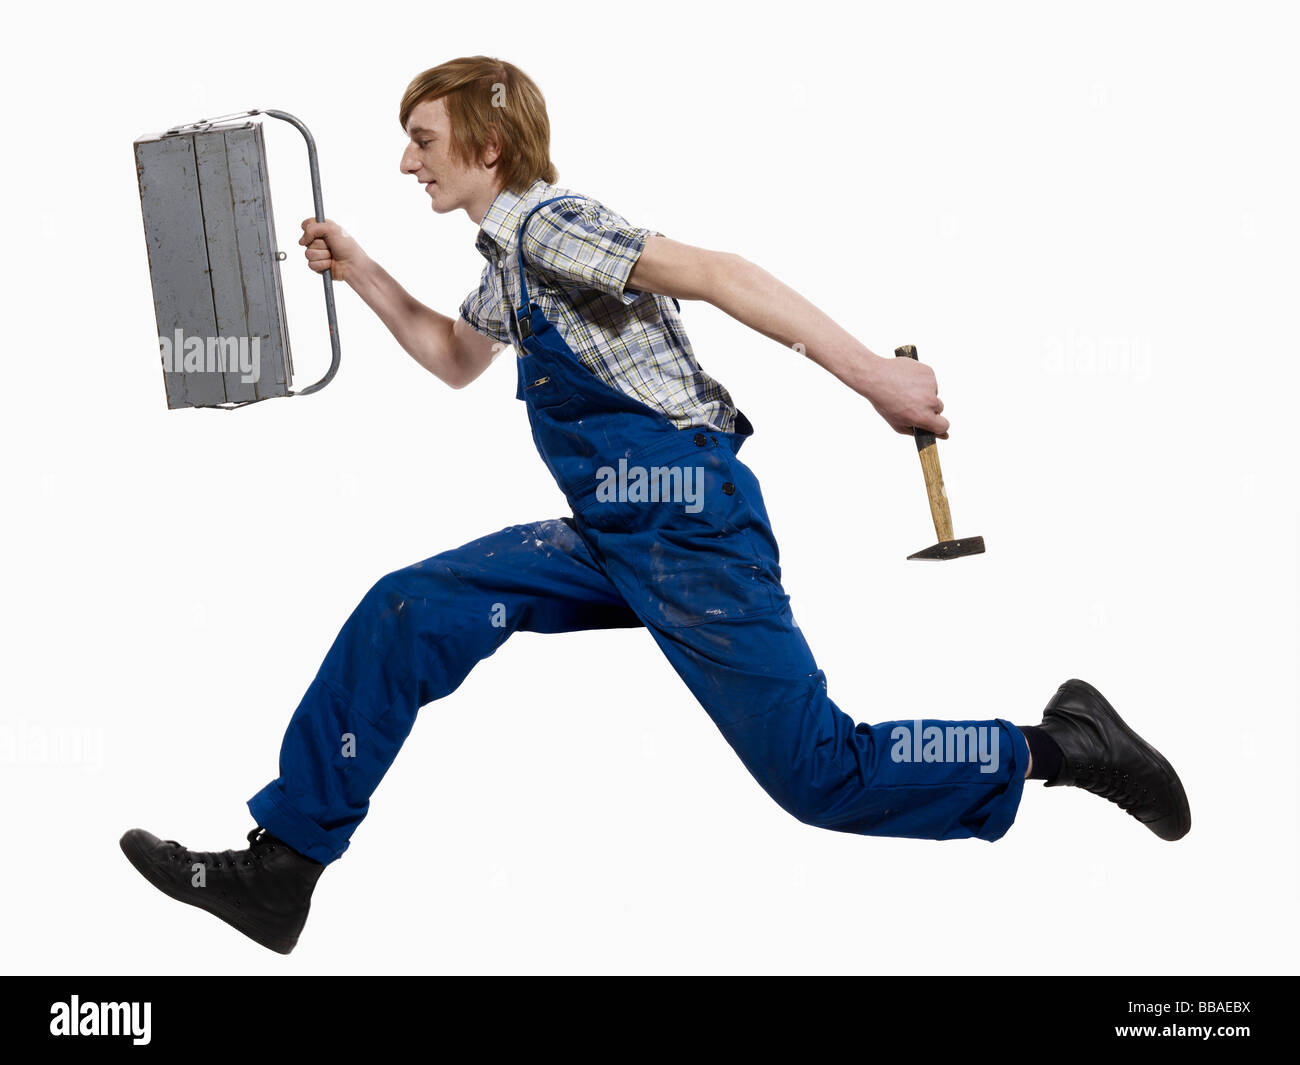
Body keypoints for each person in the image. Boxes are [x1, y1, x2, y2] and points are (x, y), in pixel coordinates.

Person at [121, 56, 1190, 955]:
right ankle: (283, 867)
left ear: (489, 144)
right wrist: (358, 269)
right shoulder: (507, 265)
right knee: (412, 608)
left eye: (423, 138)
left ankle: (1057, 746)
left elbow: (717, 271)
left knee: (820, 775)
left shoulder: (549, 224)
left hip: (685, 521)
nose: (407, 160)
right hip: (616, 531)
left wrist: (872, 375)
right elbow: (453, 358)